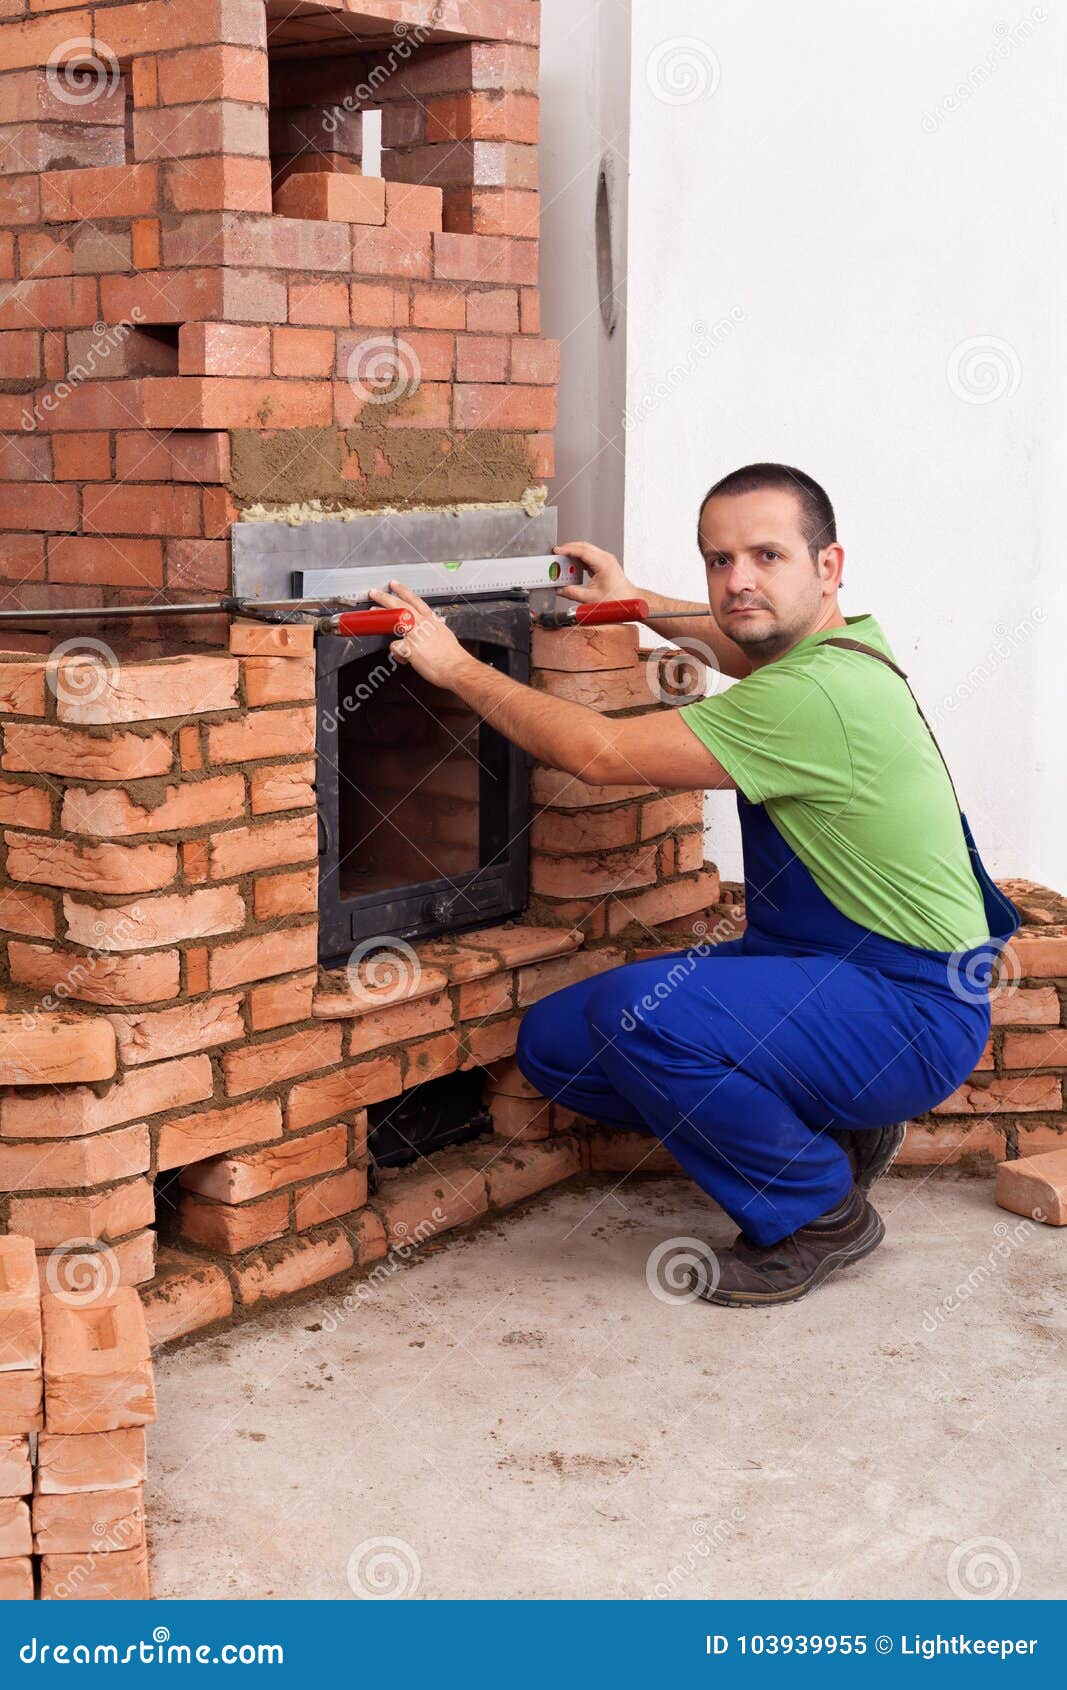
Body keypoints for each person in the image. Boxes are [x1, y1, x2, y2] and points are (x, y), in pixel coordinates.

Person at [367, 463, 1019, 1307]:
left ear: (828, 566)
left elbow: (597, 755)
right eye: (718, 561)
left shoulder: (815, 695)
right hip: (837, 972)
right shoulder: (836, 647)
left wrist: (457, 669)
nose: (736, 581)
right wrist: (636, 600)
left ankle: (817, 1211)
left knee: (635, 1018)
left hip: (906, 1009)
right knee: (560, 1046)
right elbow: (747, 649)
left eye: (765, 556)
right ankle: (823, 1125)